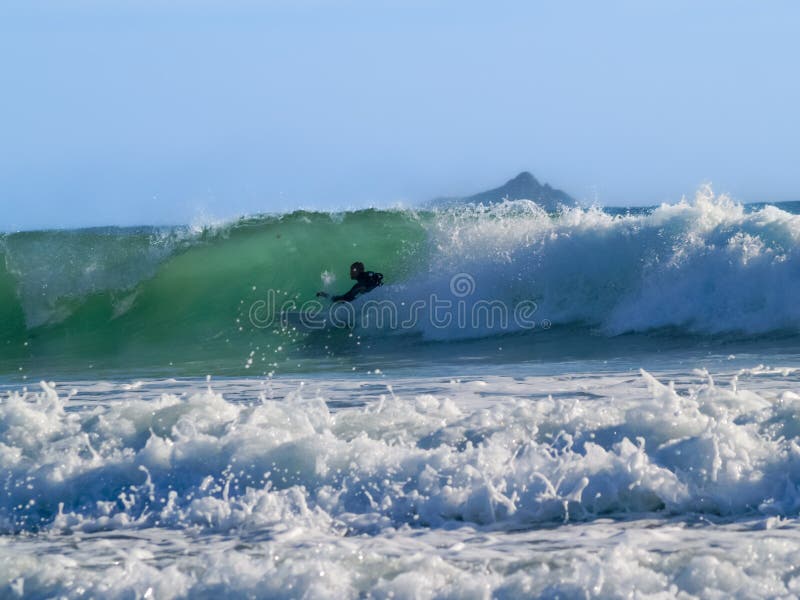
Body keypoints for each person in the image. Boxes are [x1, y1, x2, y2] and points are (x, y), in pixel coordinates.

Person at [317, 262, 383, 302]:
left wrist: (325, 295)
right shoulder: (368, 276)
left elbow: (343, 299)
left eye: (352, 270)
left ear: (356, 271)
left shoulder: (359, 286)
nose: (350, 273)